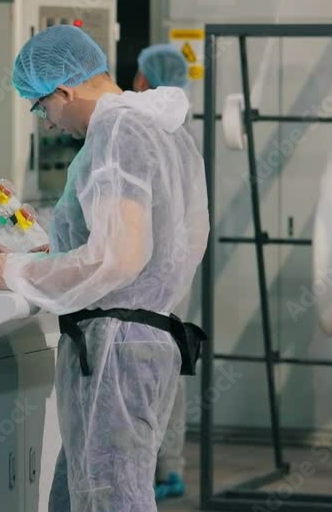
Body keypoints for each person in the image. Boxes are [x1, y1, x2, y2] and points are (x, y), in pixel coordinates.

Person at [0, 25, 209, 512]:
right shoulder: (156, 125)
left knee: (111, 497)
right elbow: (124, 231)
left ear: (64, 90)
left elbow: (117, 257)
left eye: (42, 107)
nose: (47, 123)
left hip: (117, 350)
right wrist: (39, 233)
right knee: (82, 489)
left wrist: (16, 273)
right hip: (134, 341)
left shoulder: (118, 130)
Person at [133, 42, 192, 502]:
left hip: (147, 279)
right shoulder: (182, 132)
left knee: (141, 375)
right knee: (171, 368)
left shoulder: (139, 133)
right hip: (178, 273)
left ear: (142, 81)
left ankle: (145, 468)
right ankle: (170, 468)